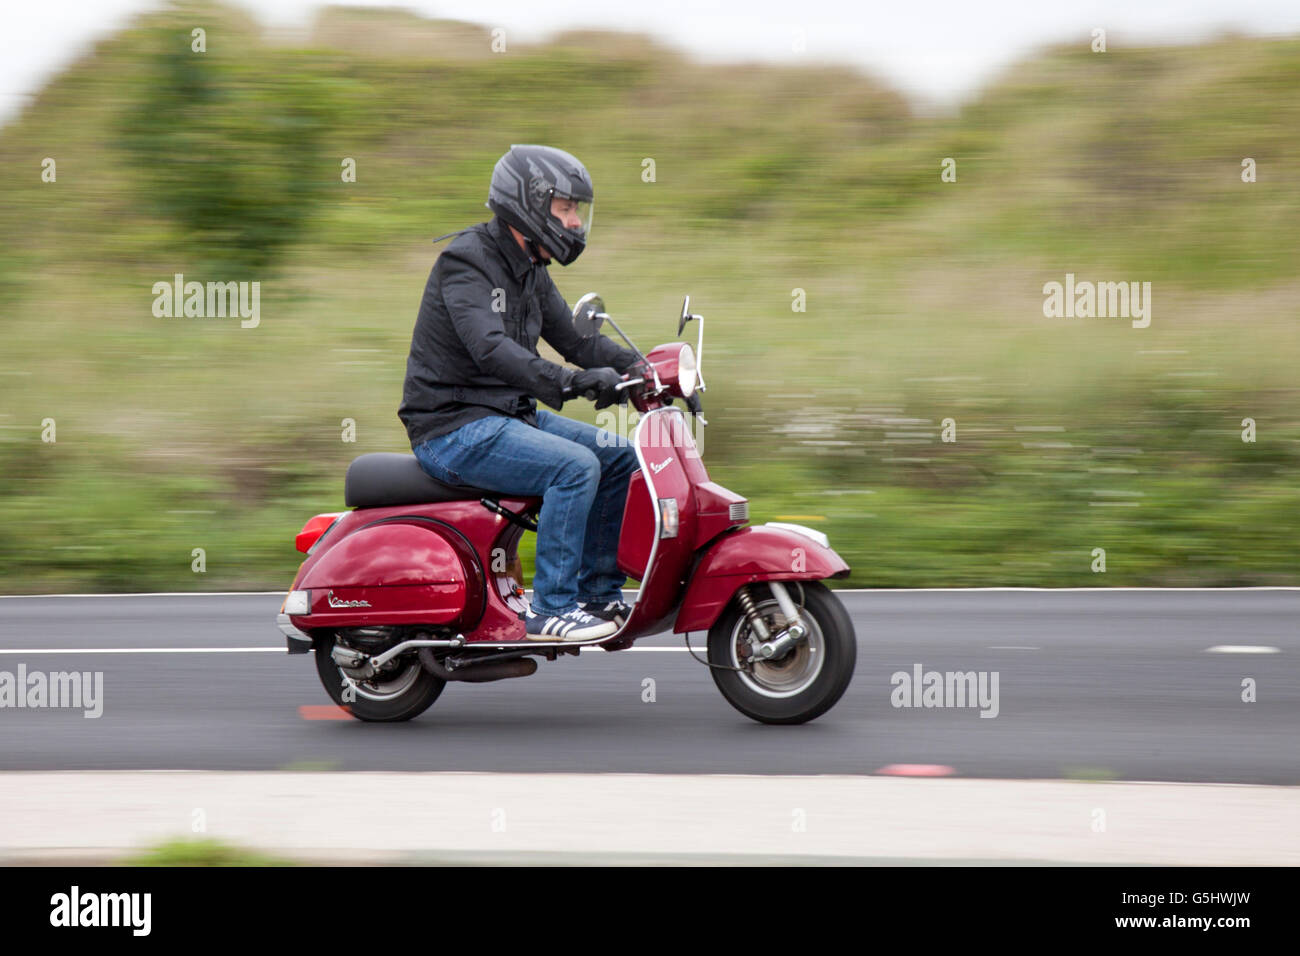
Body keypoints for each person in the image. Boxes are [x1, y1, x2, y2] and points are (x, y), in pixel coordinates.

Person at [399, 144, 640, 642]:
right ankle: (550, 610)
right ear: (528, 202)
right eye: (565, 208)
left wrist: (641, 364)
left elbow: (575, 341)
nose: (574, 222)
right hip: (453, 427)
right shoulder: (466, 262)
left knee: (619, 456)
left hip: (508, 415)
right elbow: (492, 350)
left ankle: (597, 593)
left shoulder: (532, 265)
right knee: (575, 467)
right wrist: (571, 383)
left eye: (577, 210)